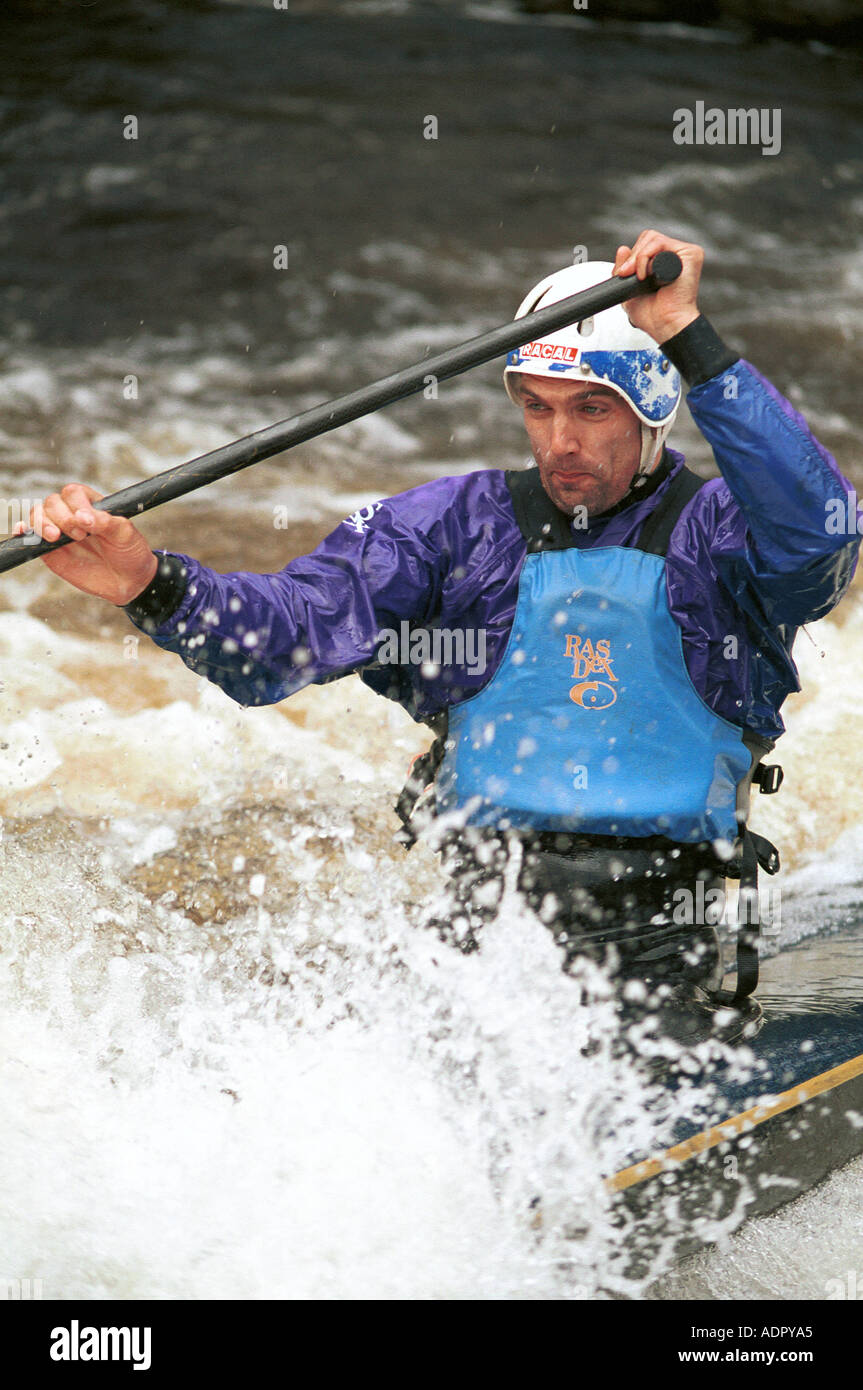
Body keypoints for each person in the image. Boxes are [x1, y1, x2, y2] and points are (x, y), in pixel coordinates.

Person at [20, 229, 860, 1050]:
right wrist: (148, 582)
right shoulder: (447, 529)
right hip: (481, 930)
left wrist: (684, 335)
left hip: (671, 939)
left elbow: (819, 539)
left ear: (649, 408)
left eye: (590, 410)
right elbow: (280, 642)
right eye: (536, 407)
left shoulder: (719, 535)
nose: (558, 441)